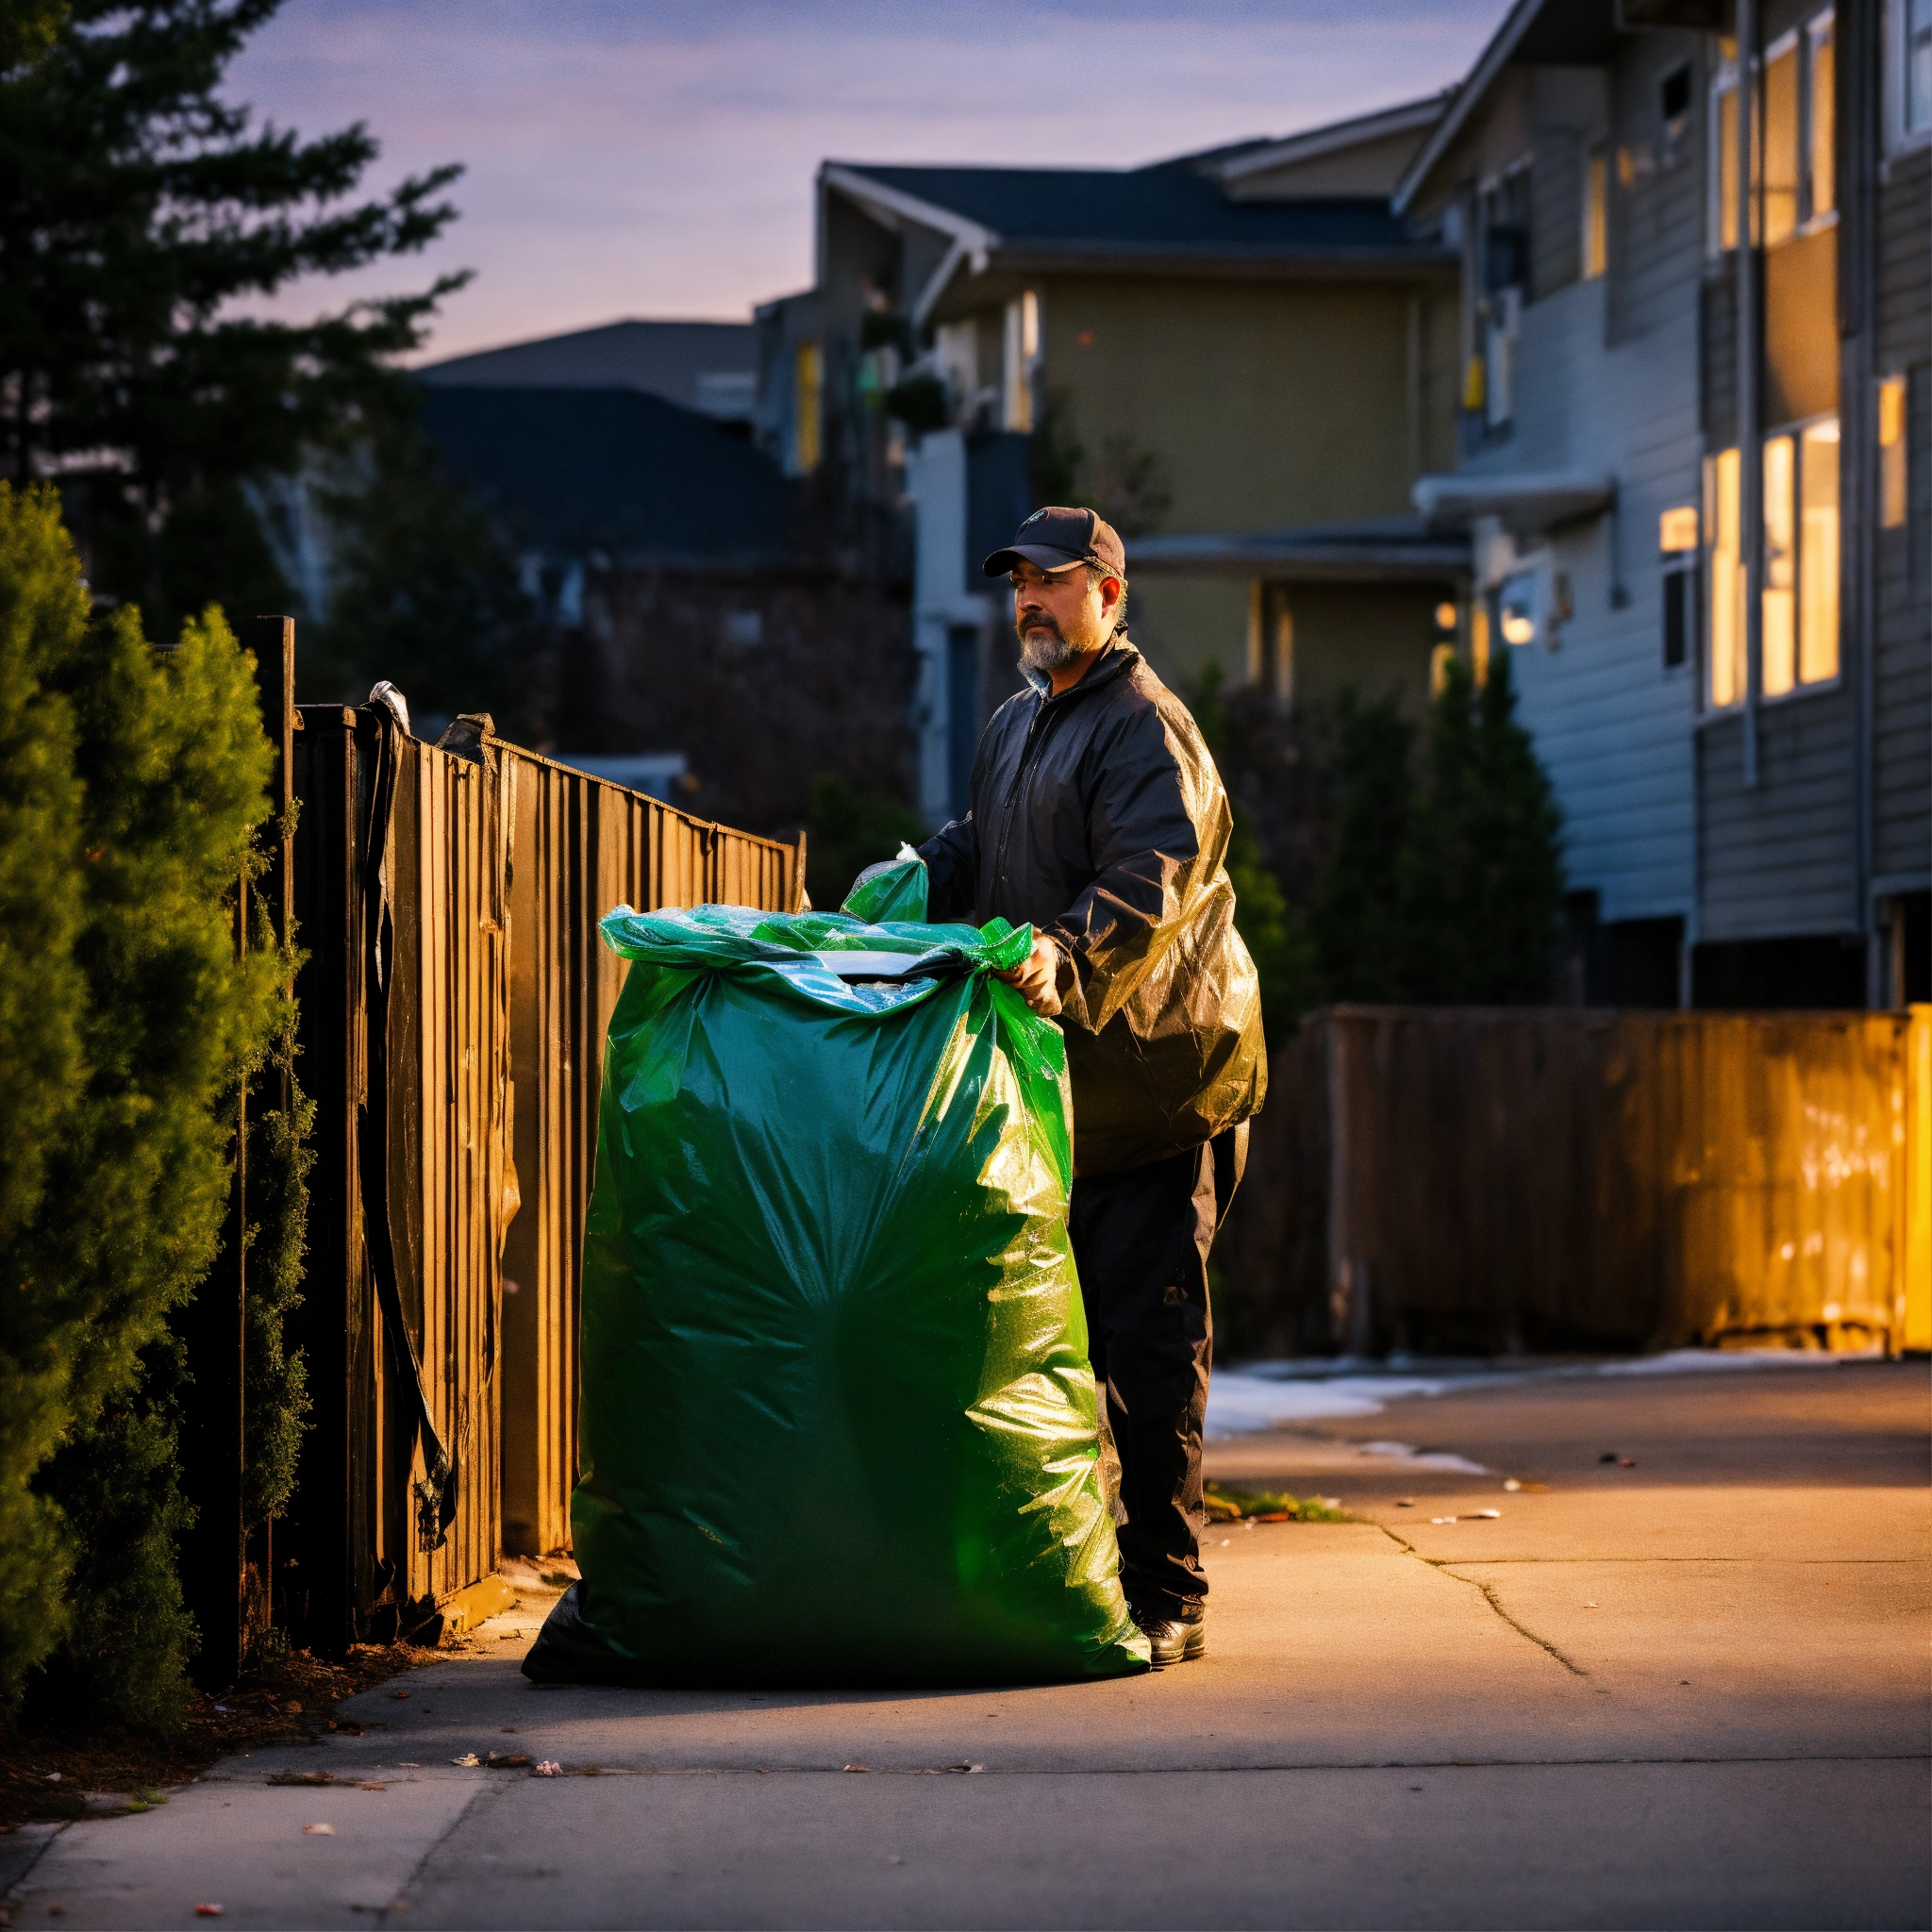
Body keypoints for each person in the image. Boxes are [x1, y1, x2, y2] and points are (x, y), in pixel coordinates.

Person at [915, 506, 1266, 1667]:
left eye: (1053, 581)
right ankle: (1074, 1575)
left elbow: (1145, 879)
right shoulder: (1021, 721)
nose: (1028, 599)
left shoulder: (1145, 729)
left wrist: (1062, 955)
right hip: (1064, 1092)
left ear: (1109, 595)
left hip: (1164, 1085)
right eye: (1017, 581)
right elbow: (995, 834)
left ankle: (1168, 1591)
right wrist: (925, 873)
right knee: (1054, 1344)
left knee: (1146, 1347)